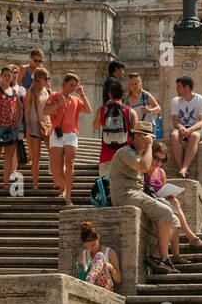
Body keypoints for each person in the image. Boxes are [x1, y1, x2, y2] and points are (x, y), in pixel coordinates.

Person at [108, 120, 180, 273]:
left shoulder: (137, 154)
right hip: (125, 195)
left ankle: (155, 256)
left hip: (137, 194)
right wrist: (148, 147)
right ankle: (165, 259)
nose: (149, 142)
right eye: (147, 138)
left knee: (174, 219)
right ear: (137, 137)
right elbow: (144, 167)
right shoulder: (125, 153)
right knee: (166, 213)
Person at [146, 142, 202, 250]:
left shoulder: (162, 172)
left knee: (174, 204)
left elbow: (163, 190)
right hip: (149, 201)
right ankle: (191, 237)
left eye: (162, 160)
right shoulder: (144, 169)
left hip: (160, 200)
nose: (158, 162)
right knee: (174, 213)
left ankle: (177, 254)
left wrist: (169, 195)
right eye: (156, 158)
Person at [43, 73, 91, 205]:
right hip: (57, 134)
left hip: (71, 134)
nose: (73, 88)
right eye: (71, 85)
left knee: (70, 164)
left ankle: (68, 196)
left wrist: (82, 94)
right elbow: (45, 111)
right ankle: (63, 188)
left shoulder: (75, 100)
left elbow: (88, 110)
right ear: (64, 84)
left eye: (75, 86)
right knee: (57, 168)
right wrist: (58, 103)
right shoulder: (54, 95)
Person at [92, 80, 136, 178]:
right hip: (125, 155)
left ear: (109, 94)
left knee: (106, 188)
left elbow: (95, 126)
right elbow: (135, 135)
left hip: (106, 156)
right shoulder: (130, 112)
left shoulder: (102, 110)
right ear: (123, 95)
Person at [169, 75, 202, 178]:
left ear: (187, 88)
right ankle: (181, 168)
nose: (176, 89)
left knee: (194, 136)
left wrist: (190, 129)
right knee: (174, 135)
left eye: (179, 86)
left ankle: (185, 168)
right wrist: (181, 127)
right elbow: (175, 120)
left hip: (196, 129)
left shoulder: (201, 100)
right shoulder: (175, 101)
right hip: (182, 128)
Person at [23, 67, 51, 189]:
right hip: (34, 126)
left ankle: (56, 179)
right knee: (35, 156)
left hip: (47, 125)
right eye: (46, 78)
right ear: (39, 79)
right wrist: (27, 126)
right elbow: (27, 111)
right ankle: (35, 183)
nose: (48, 80)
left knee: (53, 154)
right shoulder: (31, 92)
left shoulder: (48, 91)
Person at [75, 219, 122, 289]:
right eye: (87, 247)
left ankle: (89, 282)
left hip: (105, 287)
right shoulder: (82, 255)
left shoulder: (109, 253)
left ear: (98, 237)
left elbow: (118, 280)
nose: (91, 249)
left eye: (93, 245)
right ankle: (89, 282)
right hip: (86, 288)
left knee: (99, 255)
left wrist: (111, 268)